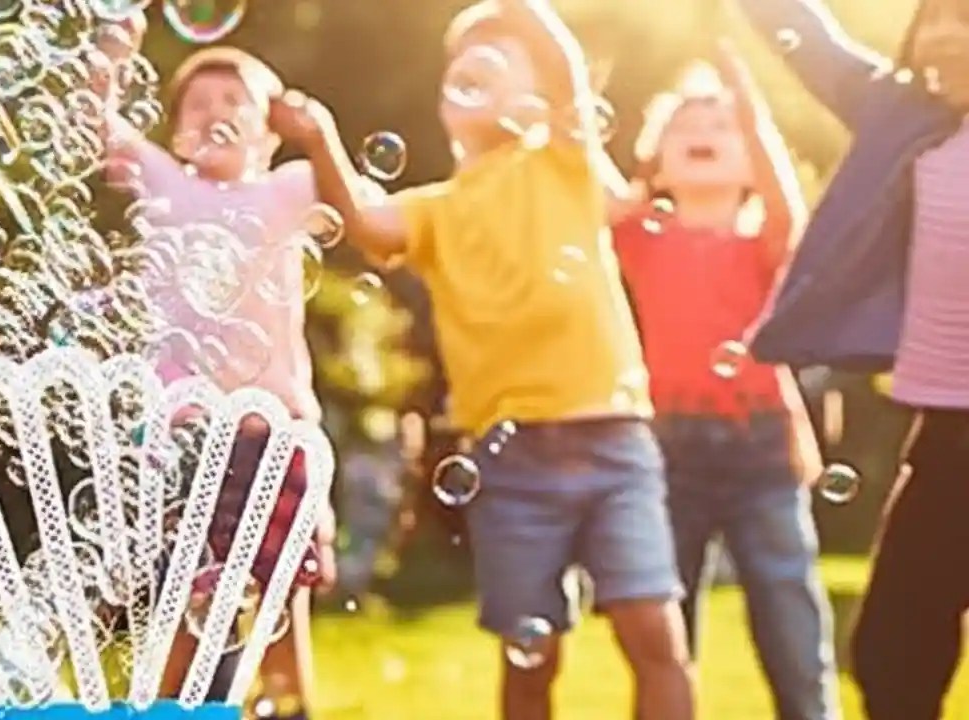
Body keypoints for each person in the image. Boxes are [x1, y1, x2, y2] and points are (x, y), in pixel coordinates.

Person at [271, 1, 695, 718]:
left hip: (612, 438)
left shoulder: (563, 160)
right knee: (531, 656)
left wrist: (518, 12)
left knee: (653, 630)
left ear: (536, 98)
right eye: (461, 72)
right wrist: (321, 140)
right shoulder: (436, 208)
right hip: (511, 458)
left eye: (500, 64)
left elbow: (564, 73)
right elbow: (369, 224)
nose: (473, 74)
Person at [733, 0, 969, 718]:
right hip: (947, 434)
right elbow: (809, 39)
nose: (940, 34)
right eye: (931, 17)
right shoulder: (900, 113)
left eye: (962, 18)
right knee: (893, 652)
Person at [99, 30, 336, 720]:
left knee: (282, 600)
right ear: (174, 133)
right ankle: (167, 709)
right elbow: (91, 125)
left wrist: (315, 134)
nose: (214, 109)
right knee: (184, 593)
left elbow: (348, 196)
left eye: (235, 98)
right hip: (186, 432)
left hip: (275, 426)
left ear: (269, 135)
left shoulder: (286, 188)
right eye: (197, 101)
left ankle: (290, 708)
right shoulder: (166, 182)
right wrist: (112, 59)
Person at [610, 49, 840, 720]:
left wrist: (749, 99)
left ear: (750, 158)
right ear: (656, 161)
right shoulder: (640, 236)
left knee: (788, 614)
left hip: (760, 444)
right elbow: (595, 188)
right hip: (666, 449)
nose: (704, 128)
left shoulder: (762, 244)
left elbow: (785, 206)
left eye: (723, 123)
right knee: (665, 629)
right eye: (685, 123)